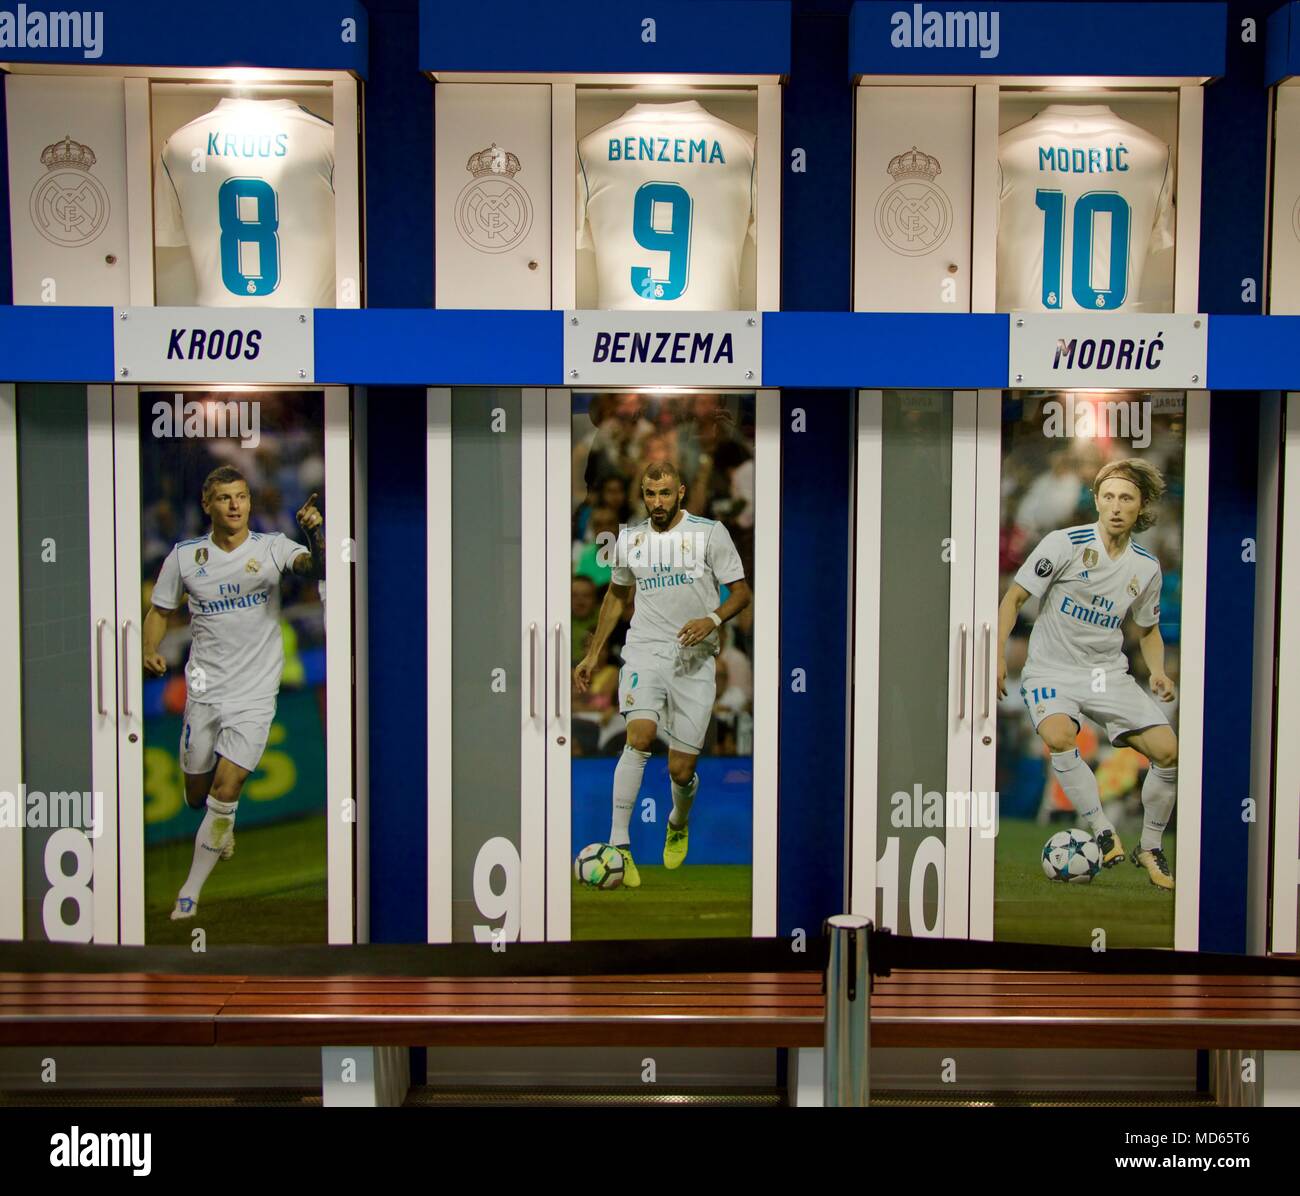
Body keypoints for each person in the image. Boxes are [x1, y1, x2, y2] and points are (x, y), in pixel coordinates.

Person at [142, 466, 325, 920]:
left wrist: (315, 535)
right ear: (208, 505)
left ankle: (190, 892)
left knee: (229, 787)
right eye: (225, 498)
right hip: (205, 691)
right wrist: (148, 646)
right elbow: (160, 610)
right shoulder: (185, 558)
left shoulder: (272, 548)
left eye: (241, 496)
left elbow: (314, 568)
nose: (236, 505)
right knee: (196, 796)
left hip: (256, 692)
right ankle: (220, 825)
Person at [996, 458, 1178, 890]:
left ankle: (1150, 847)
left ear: (1141, 507)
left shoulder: (1145, 567)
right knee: (1060, 735)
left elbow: (1148, 629)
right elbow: (1013, 599)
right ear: (1096, 499)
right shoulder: (1064, 543)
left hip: (1105, 675)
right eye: (1109, 496)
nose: (1115, 506)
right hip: (1051, 670)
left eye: (1126, 498)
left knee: (1168, 751)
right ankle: (1101, 829)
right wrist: (996, 656)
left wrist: (1156, 671)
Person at [573, 461, 751, 885]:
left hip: (695, 659)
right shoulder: (630, 539)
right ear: (643, 495)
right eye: (650, 494)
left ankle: (677, 823)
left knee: (681, 771)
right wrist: (593, 653)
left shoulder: (709, 533)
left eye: (665, 494)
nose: (657, 502)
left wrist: (712, 618)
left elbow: (742, 593)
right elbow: (617, 596)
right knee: (639, 736)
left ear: (681, 493)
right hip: (645, 651)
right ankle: (620, 844)